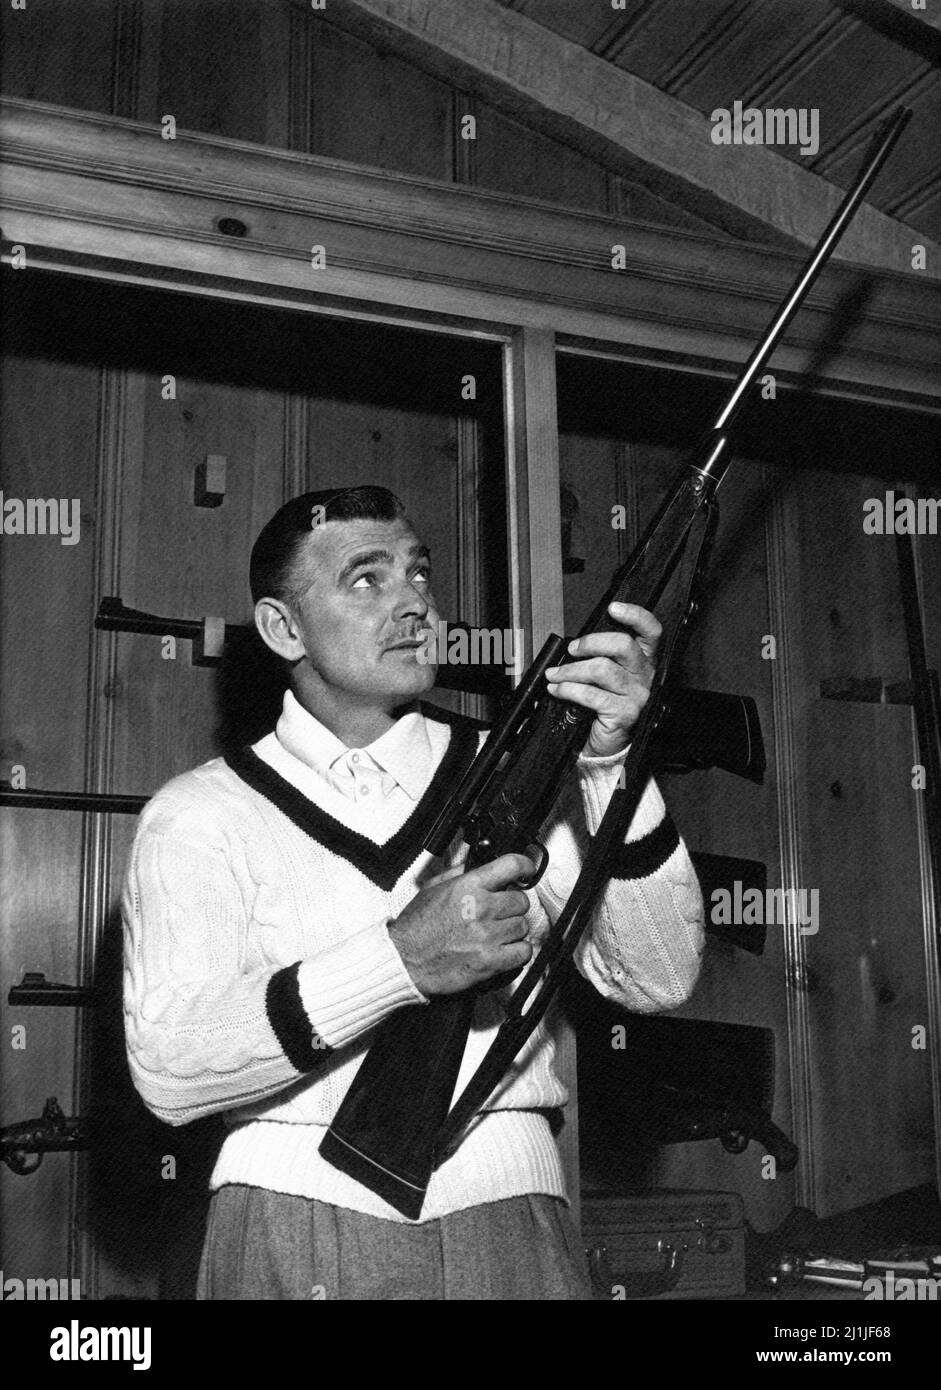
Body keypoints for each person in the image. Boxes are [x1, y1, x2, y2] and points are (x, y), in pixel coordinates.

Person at [123, 484, 704, 1301]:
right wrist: (399, 961)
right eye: (367, 579)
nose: (414, 603)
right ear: (281, 627)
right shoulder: (197, 813)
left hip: (514, 1220)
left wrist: (613, 767)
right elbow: (169, 1070)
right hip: (292, 1225)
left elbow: (658, 977)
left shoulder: (521, 767)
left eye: (419, 573)